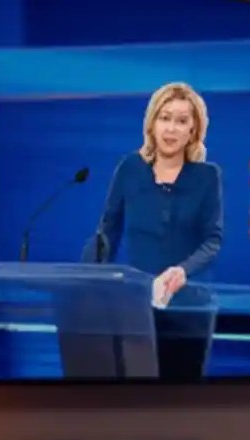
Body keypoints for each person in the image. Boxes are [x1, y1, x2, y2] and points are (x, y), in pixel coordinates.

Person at [92, 82, 223, 380]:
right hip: (137, 307)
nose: (171, 128)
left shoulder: (207, 176)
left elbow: (212, 239)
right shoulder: (129, 168)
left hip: (190, 309)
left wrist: (182, 270)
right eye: (164, 118)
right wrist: (87, 276)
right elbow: (107, 232)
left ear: (194, 130)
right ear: (152, 123)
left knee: (182, 397)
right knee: (138, 396)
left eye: (181, 121)